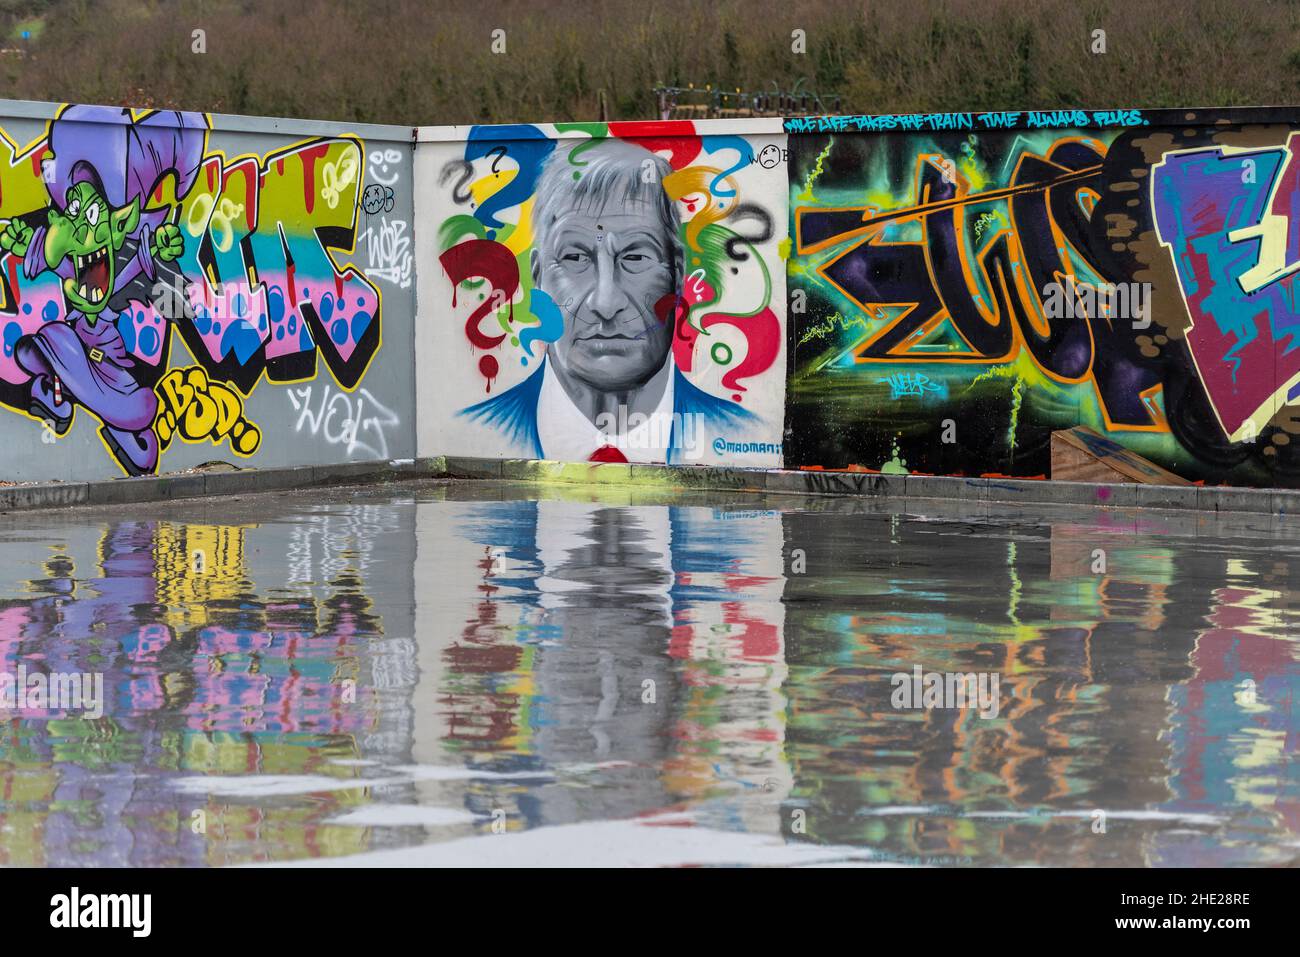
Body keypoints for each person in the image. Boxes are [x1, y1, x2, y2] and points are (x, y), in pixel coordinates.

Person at [458, 137, 754, 463]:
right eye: (575, 257)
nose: (605, 302)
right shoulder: (474, 435)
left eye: (636, 258)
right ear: (538, 276)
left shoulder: (740, 434)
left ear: (678, 273)